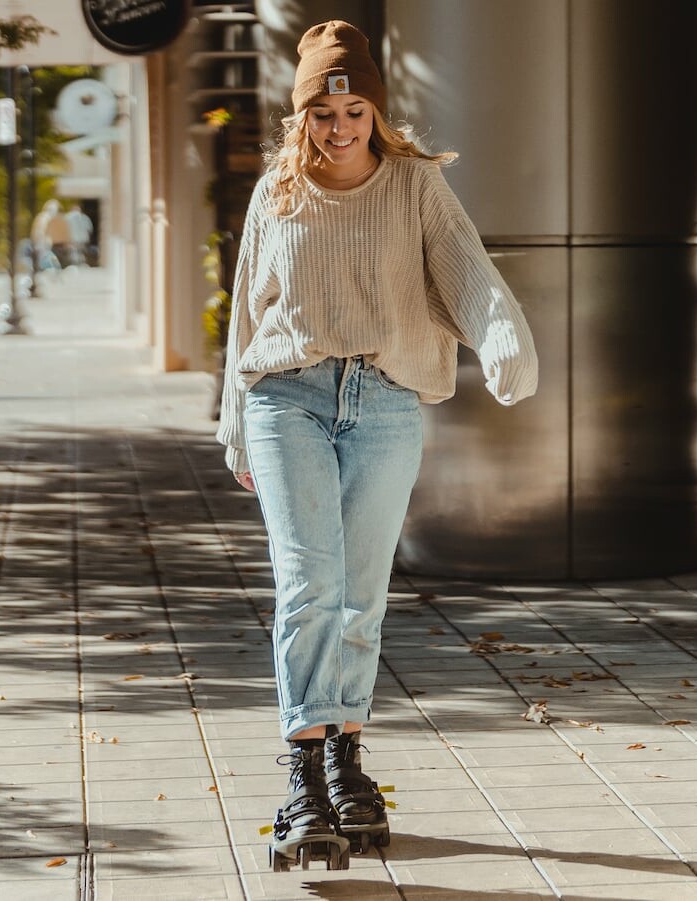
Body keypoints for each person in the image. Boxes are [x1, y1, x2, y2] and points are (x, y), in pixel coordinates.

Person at [216, 20, 538, 871]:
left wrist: (502, 336)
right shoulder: (275, 192)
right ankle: (302, 777)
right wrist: (230, 421)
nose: (339, 126)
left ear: (373, 111)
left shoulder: (414, 185)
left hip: (386, 401)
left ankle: (343, 760)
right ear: (302, 118)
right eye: (324, 113)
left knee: (359, 592)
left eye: (354, 109)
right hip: (286, 397)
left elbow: (468, 272)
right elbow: (247, 310)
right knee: (307, 585)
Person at [30, 199, 71, 274]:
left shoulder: (42, 217)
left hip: (47, 243)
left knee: (46, 259)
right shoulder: (53, 218)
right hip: (47, 243)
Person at [64, 203, 93, 267]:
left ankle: (74, 264)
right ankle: (81, 264)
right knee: (81, 252)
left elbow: (64, 229)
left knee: (73, 252)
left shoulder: (67, 217)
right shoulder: (85, 217)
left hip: (72, 238)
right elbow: (89, 230)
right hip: (83, 238)